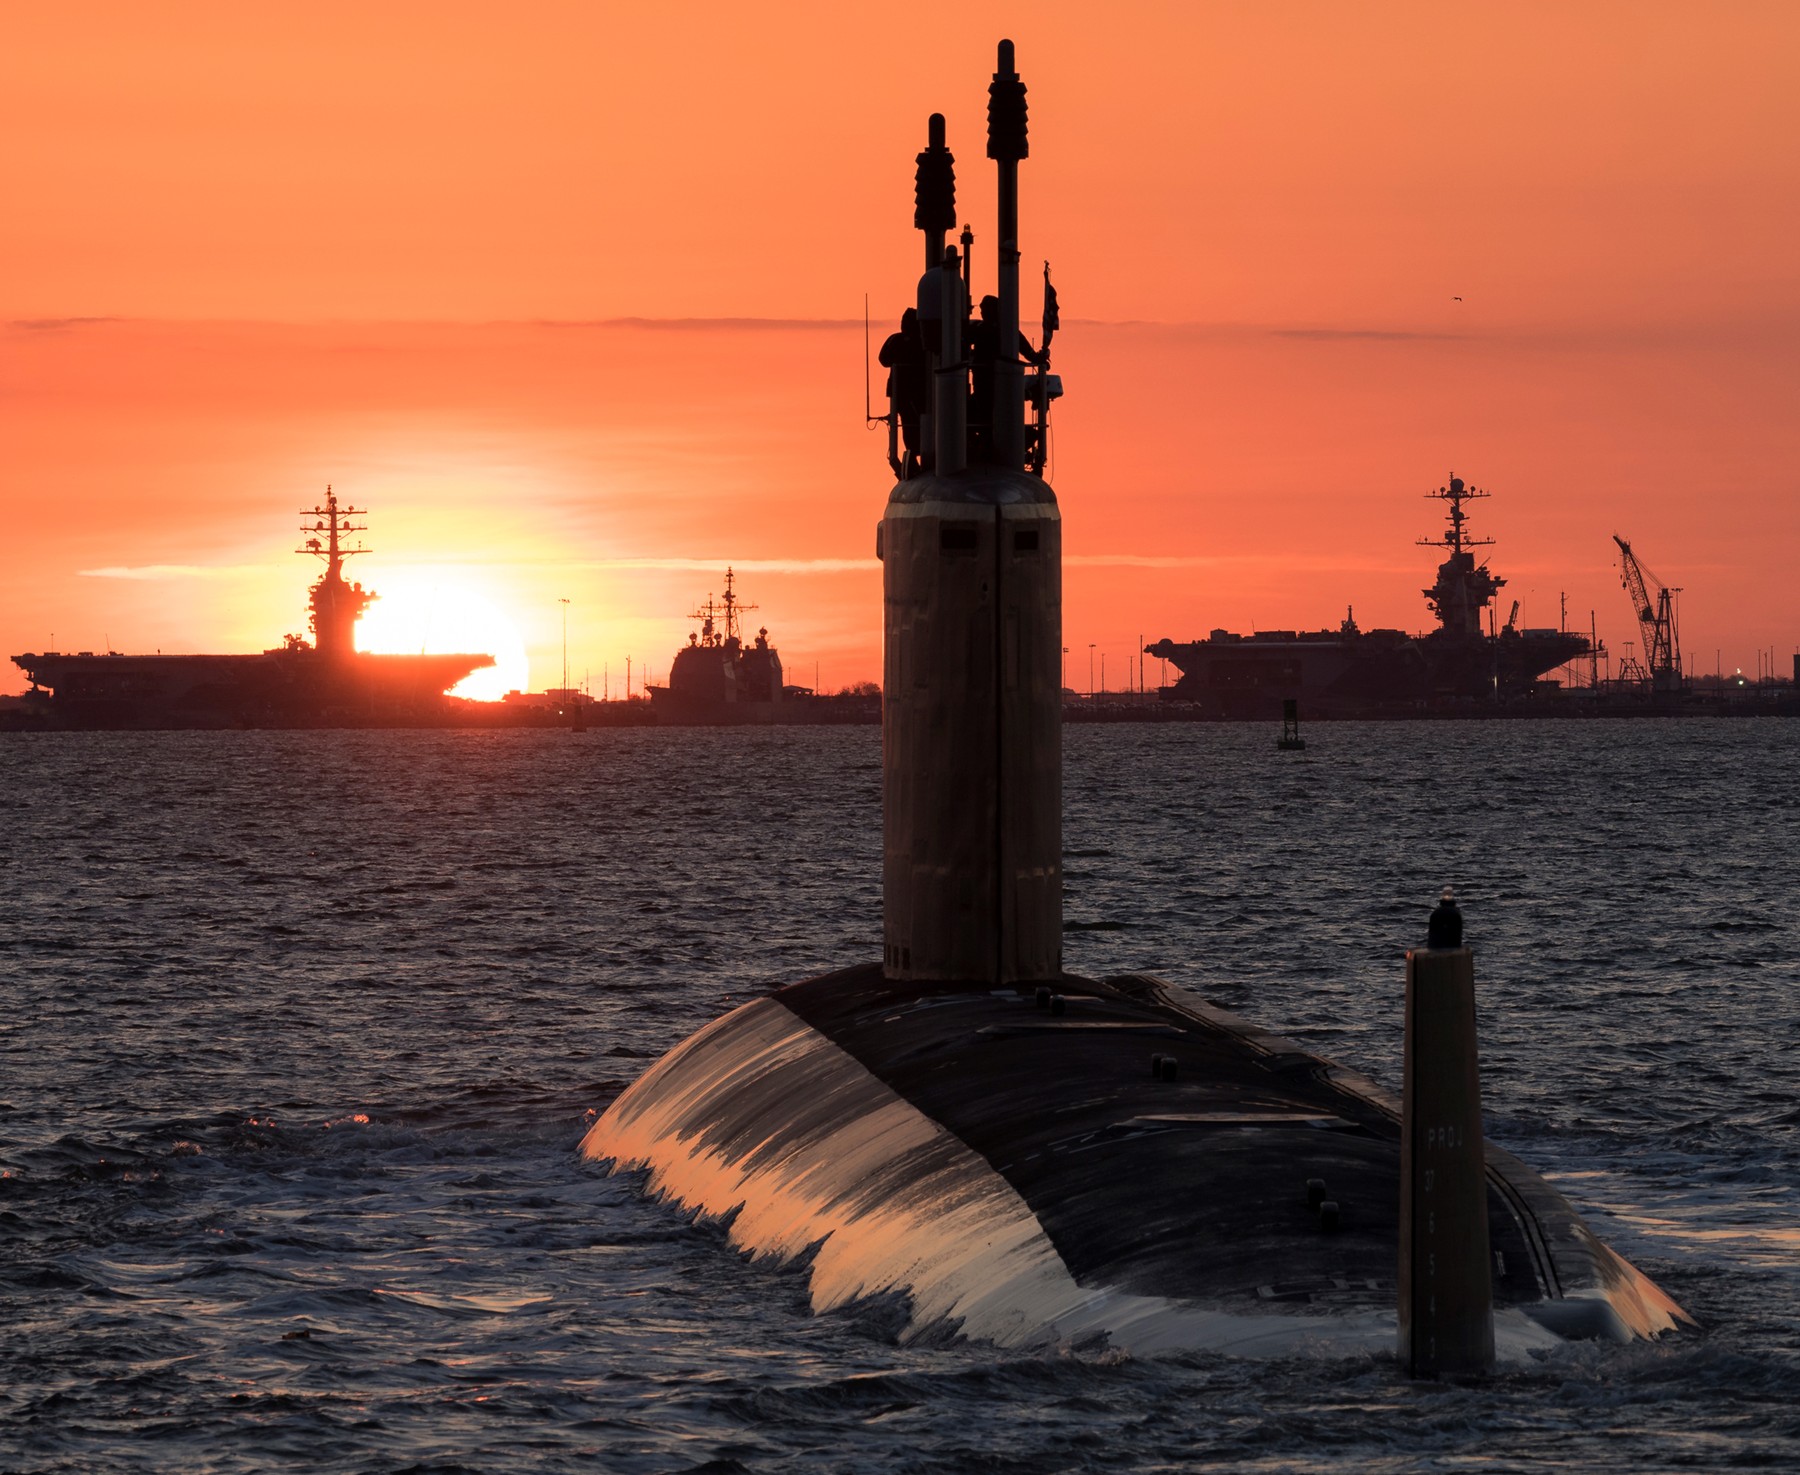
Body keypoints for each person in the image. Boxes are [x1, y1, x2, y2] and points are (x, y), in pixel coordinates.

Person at [967, 295, 1047, 461]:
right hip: (999, 386)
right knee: (991, 415)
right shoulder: (1009, 331)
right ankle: (994, 444)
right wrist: (1039, 360)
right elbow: (1028, 352)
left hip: (986, 385)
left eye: (983, 309)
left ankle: (985, 445)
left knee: (982, 415)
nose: (981, 312)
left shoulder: (981, 330)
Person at [878, 308, 927, 474]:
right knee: (910, 424)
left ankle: (917, 454)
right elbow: (884, 360)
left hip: (913, 391)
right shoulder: (916, 341)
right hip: (908, 391)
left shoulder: (907, 341)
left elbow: (884, 359)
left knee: (912, 424)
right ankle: (914, 454)